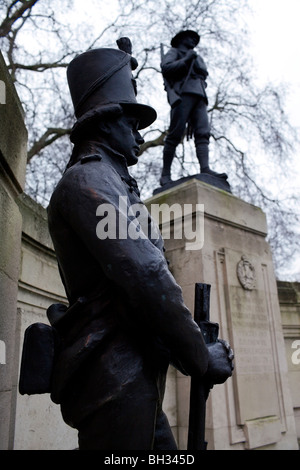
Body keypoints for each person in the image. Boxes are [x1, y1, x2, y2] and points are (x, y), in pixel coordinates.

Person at [47, 38, 234, 450]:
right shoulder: (89, 181)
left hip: (131, 372)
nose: (139, 133)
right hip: (112, 377)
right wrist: (200, 357)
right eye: (130, 122)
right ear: (104, 122)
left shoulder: (112, 184)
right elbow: (146, 275)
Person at [160, 30, 227, 186]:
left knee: (203, 133)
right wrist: (185, 61)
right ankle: (165, 174)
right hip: (183, 93)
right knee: (175, 134)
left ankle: (205, 168)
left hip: (200, 95)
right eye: (190, 38)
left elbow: (203, 75)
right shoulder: (175, 52)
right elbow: (167, 68)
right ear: (181, 39)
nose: (193, 41)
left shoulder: (197, 57)